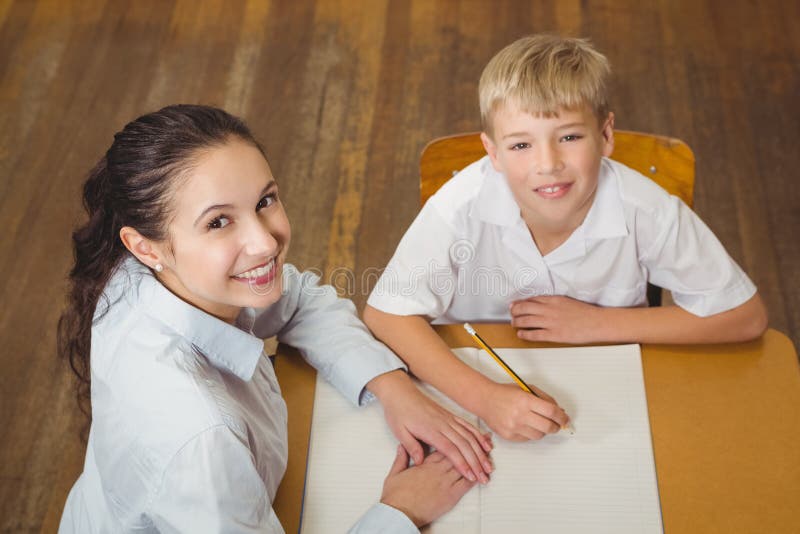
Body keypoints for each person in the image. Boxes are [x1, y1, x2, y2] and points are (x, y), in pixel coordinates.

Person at [57, 105, 494, 533]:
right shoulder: (199, 440)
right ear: (145, 247)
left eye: (265, 200)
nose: (265, 243)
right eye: (218, 222)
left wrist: (393, 387)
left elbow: (299, 298)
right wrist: (401, 512)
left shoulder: (159, 273)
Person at [363, 34, 768, 442]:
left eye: (570, 137)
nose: (548, 164)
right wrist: (485, 399)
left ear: (606, 135)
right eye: (521, 144)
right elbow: (386, 315)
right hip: (472, 383)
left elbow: (745, 315)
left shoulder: (647, 210)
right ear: (493, 153)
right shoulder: (459, 206)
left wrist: (598, 324)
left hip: (607, 384)